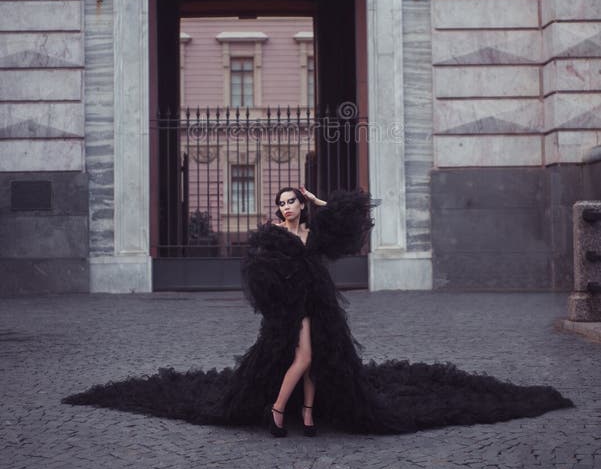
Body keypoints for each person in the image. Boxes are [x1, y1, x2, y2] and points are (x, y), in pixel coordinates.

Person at [63, 187, 573, 435]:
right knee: (304, 357)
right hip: (293, 307)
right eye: (283, 202)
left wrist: (315, 197)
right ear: (276, 209)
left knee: (322, 360)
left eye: (293, 201)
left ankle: (307, 415)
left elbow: (347, 217)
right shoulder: (272, 234)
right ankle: (278, 409)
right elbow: (257, 270)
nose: (288, 206)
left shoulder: (310, 227)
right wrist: (279, 296)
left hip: (321, 302)